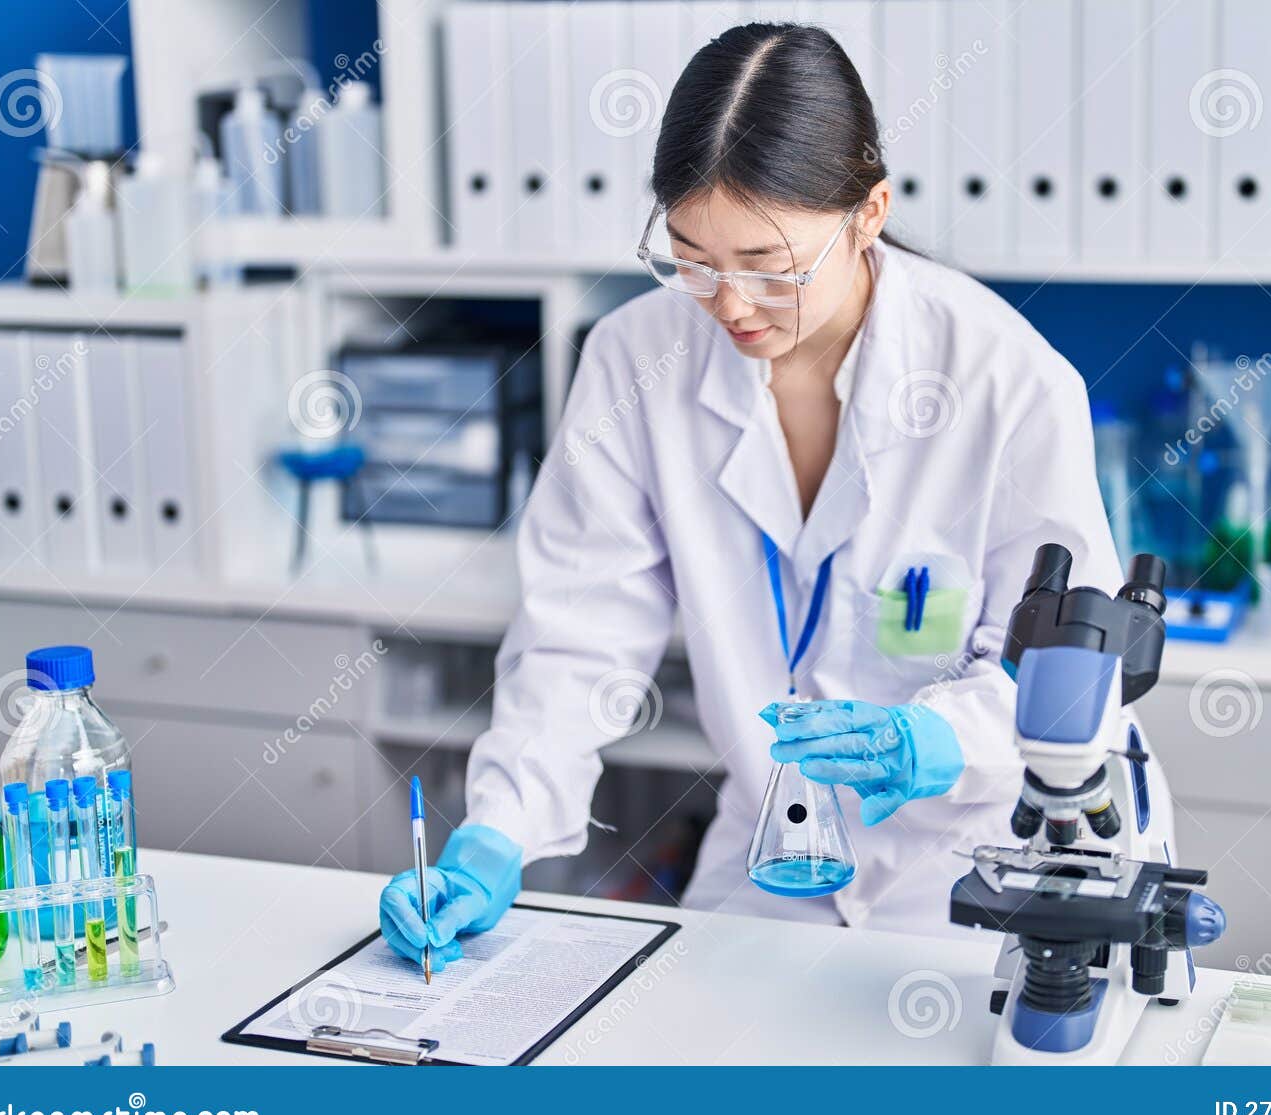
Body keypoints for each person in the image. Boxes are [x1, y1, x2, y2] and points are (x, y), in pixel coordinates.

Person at [379, 21, 1128, 969]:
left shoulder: (1005, 380)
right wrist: (501, 831)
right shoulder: (632, 361)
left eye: (769, 269)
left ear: (869, 214)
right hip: (777, 844)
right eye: (691, 257)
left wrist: (932, 738)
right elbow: (581, 632)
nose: (727, 304)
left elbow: (1067, 680)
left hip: (988, 850)